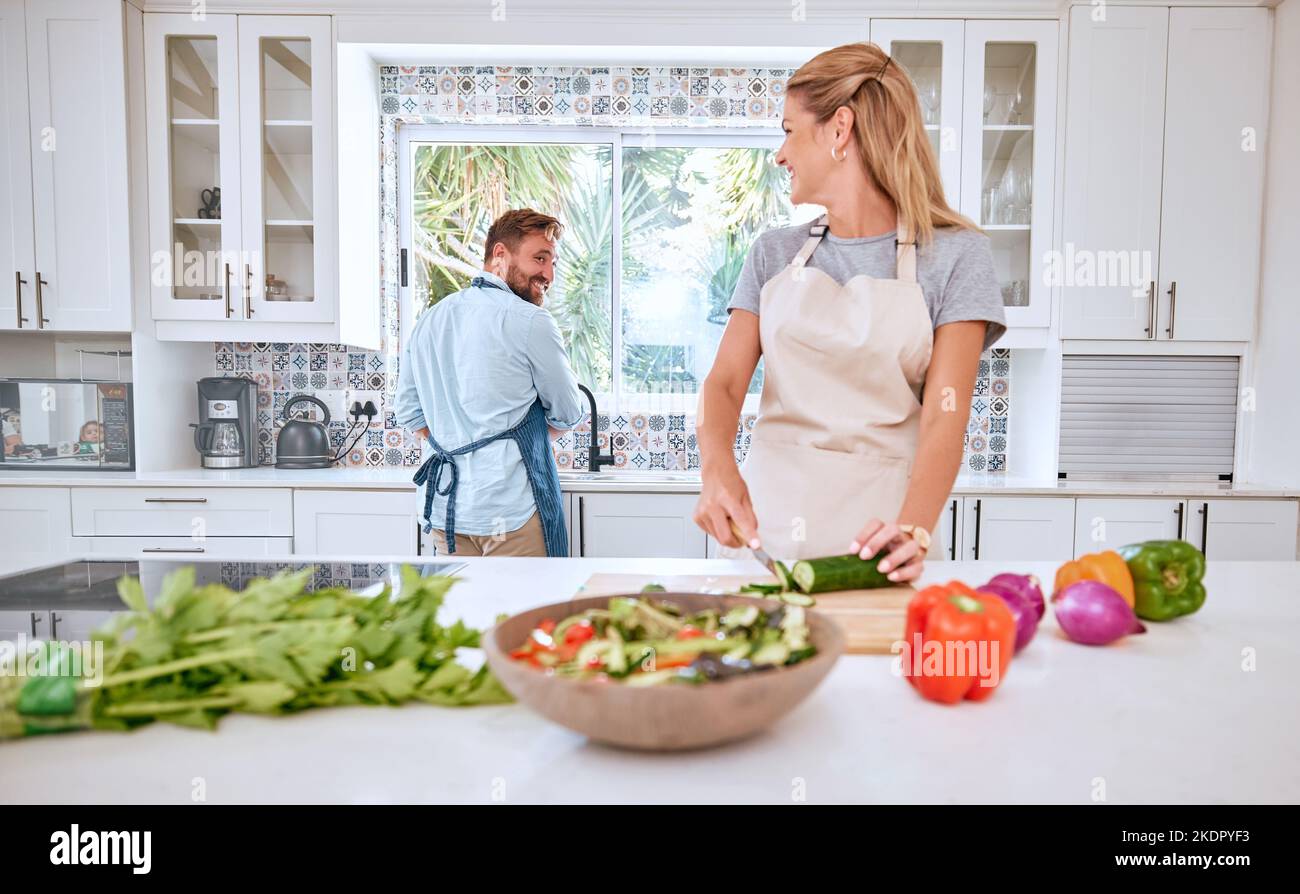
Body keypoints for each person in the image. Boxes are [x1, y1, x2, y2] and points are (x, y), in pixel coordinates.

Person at [693, 42, 1007, 583]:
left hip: (885, 538)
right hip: (764, 537)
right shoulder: (772, 252)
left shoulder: (956, 254)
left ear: (840, 129)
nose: (780, 154)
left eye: (789, 130)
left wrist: (914, 532)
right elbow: (723, 385)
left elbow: (944, 417)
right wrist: (716, 467)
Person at [395, 208, 586, 557]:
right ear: (500, 254)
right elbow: (569, 412)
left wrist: (457, 440)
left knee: (463, 612)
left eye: (553, 262)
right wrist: (518, 443)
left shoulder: (431, 319)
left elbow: (409, 414)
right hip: (508, 511)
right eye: (539, 258)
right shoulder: (531, 321)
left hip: (446, 512)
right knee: (521, 610)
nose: (548, 274)